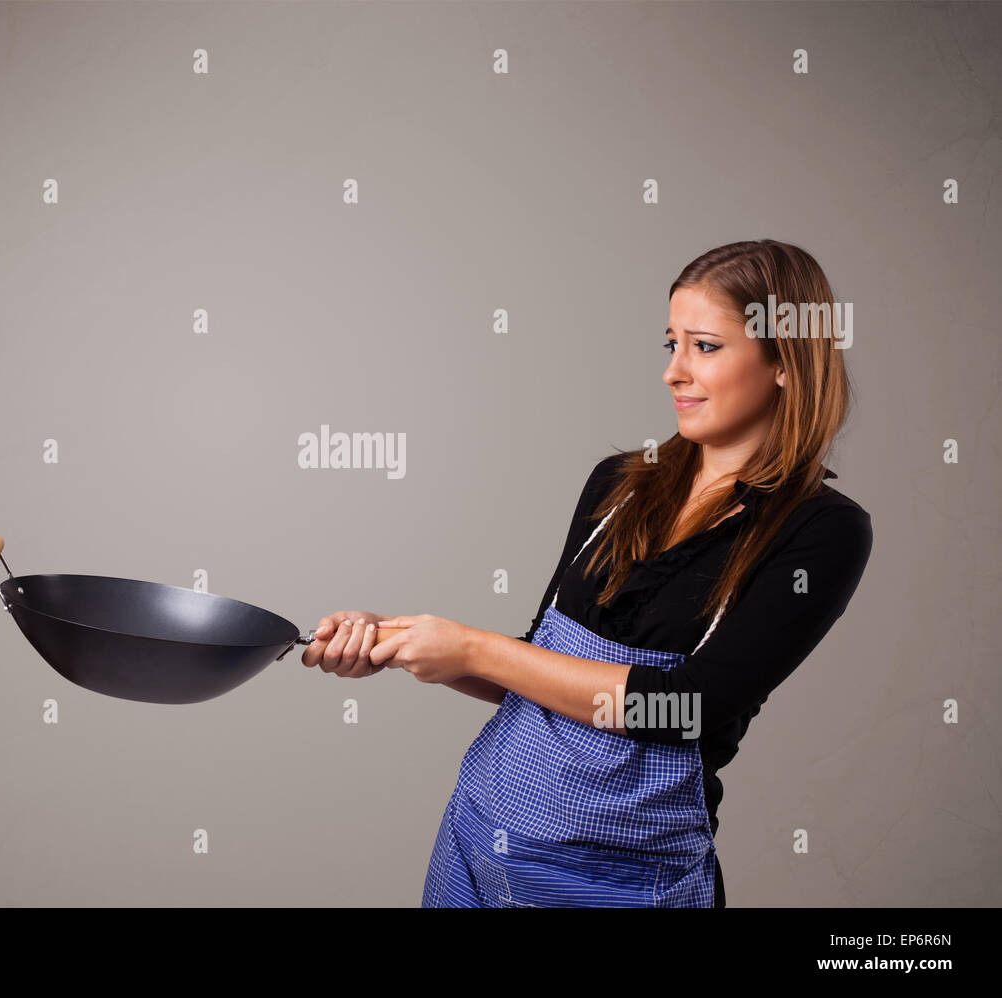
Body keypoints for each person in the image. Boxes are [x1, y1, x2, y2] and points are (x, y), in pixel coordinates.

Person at [300, 239, 873, 907]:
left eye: (705, 347)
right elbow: (540, 669)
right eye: (671, 345)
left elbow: (685, 705)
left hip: (620, 881)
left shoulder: (821, 530)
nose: (674, 373)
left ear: (783, 361)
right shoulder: (620, 485)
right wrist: (398, 640)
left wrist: (470, 646)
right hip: (478, 840)